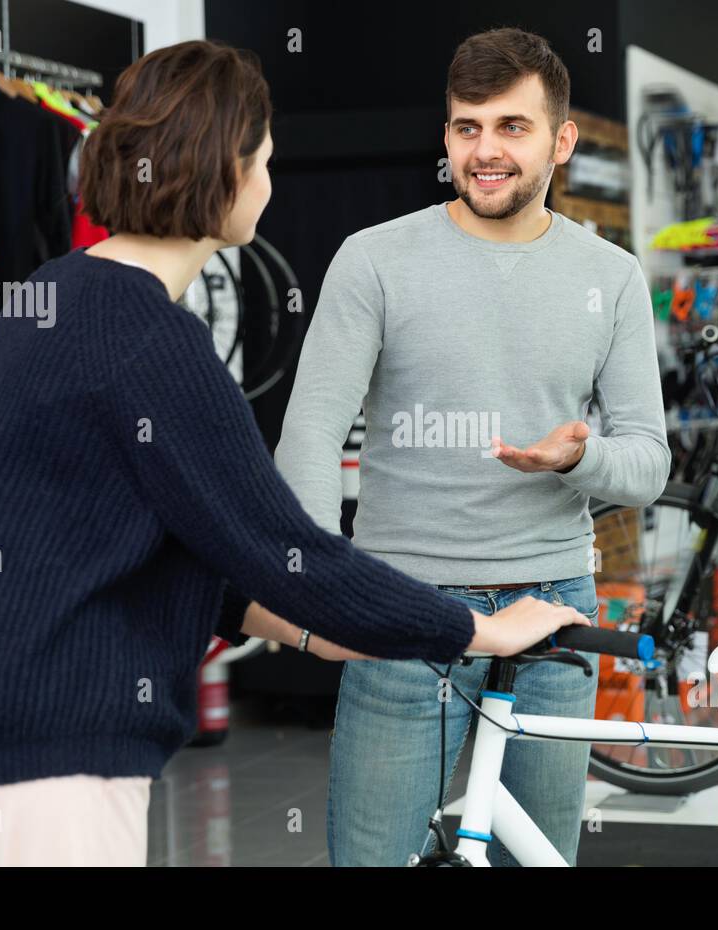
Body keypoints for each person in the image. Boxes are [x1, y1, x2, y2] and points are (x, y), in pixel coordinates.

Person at [0, 39, 589, 868]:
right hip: (45, 747)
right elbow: (295, 556)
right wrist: (483, 630)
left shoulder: (57, 294)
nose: (270, 184)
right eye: (264, 161)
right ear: (224, 170)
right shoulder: (154, 343)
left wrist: (299, 631)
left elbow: (126, 536)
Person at [275, 28, 670, 866]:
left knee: (542, 857)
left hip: (557, 617)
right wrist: (318, 590)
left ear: (561, 140)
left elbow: (646, 462)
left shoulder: (613, 276)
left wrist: (580, 458)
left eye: (511, 127)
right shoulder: (373, 260)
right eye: (466, 127)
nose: (485, 151)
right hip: (405, 607)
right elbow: (309, 432)